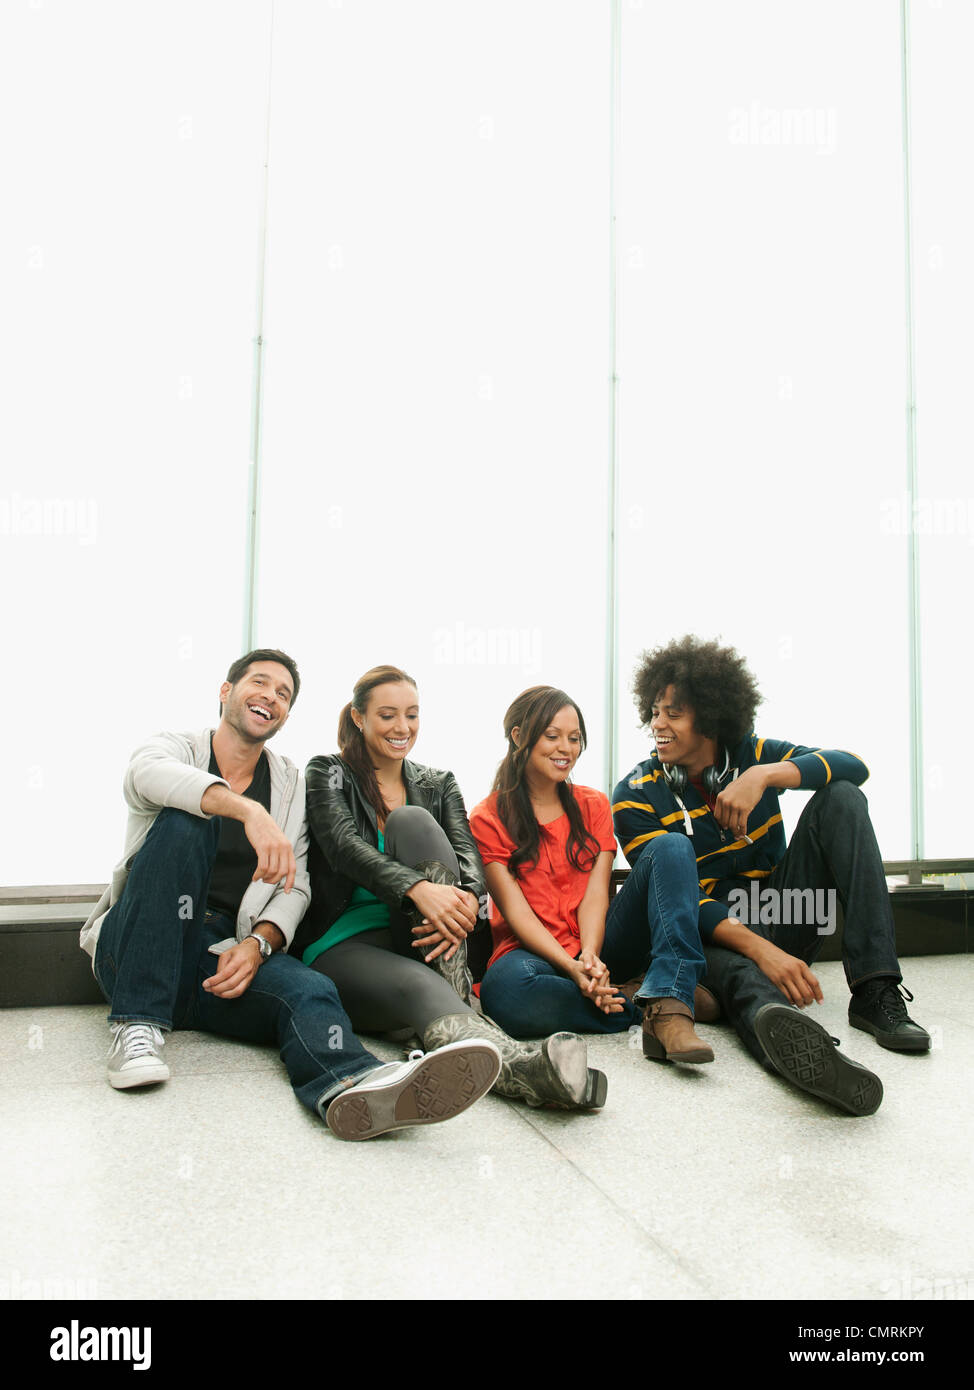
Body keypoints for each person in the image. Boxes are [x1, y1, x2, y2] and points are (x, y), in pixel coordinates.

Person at [81, 649, 500, 1142]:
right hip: (137, 948)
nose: (270, 697)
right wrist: (246, 813)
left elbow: (295, 884)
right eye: (259, 683)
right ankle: (137, 1028)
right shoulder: (176, 747)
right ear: (226, 691)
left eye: (283, 694)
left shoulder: (286, 782)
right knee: (183, 824)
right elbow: (145, 778)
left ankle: (352, 1084)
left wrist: (257, 943)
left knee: (308, 988)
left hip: (220, 959)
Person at [611, 634, 931, 1116]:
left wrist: (762, 776)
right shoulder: (634, 794)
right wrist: (765, 952)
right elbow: (678, 903)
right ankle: (797, 1043)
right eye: (655, 711)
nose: (658, 724)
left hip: (783, 911)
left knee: (842, 797)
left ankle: (874, 990)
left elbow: (854, 765)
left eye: (673, 713)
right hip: (714, 931)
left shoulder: (753, 754)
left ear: (712, 718)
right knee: (739, 971)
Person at [293, 664, 607, 1110]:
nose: (402, 727)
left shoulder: (437, 783)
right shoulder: (328, 771)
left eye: (412, 714)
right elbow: (343, 846)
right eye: (387, 715)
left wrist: (457, 898)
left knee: (413, 821)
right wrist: (418, 889)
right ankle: (528, 1070)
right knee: (420, 985)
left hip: (428, 932)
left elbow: (470, 864)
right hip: (348, 941)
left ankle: (457, 1015)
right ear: (359, 717)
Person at [468, 685, 718, 1056]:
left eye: (574, 739)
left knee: (671, 845)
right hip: (534, 953)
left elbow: (596, 896)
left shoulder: (594, 804)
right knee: (505, 991)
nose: (565, 749)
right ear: (519, 737)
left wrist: (589, 954)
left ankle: (670, 1000)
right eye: (552, 736)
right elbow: (517, 914)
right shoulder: (487, 817)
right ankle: (637, 1001)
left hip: (602, 944)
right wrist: (572, 968)